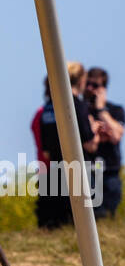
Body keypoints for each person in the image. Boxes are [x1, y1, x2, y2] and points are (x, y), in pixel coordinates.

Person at [35, 63, 99, 229]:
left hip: (54, 170)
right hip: (78, 170)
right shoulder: (77, 105)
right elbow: (89, 144)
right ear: (80, 81)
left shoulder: (49, 108)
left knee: (56, 224)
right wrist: (94, 130)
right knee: (84, 225)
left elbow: (46, 151)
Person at [84, 67, 125, 219]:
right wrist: (97, 131)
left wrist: (101, 110)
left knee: (109, 218)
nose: (89, 89)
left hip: (110, 172)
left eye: (95, 86)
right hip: (89, 173)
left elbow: (116, 135)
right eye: (87, 84)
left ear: (103, 89)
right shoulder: (81, 110)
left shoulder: (115, 110)